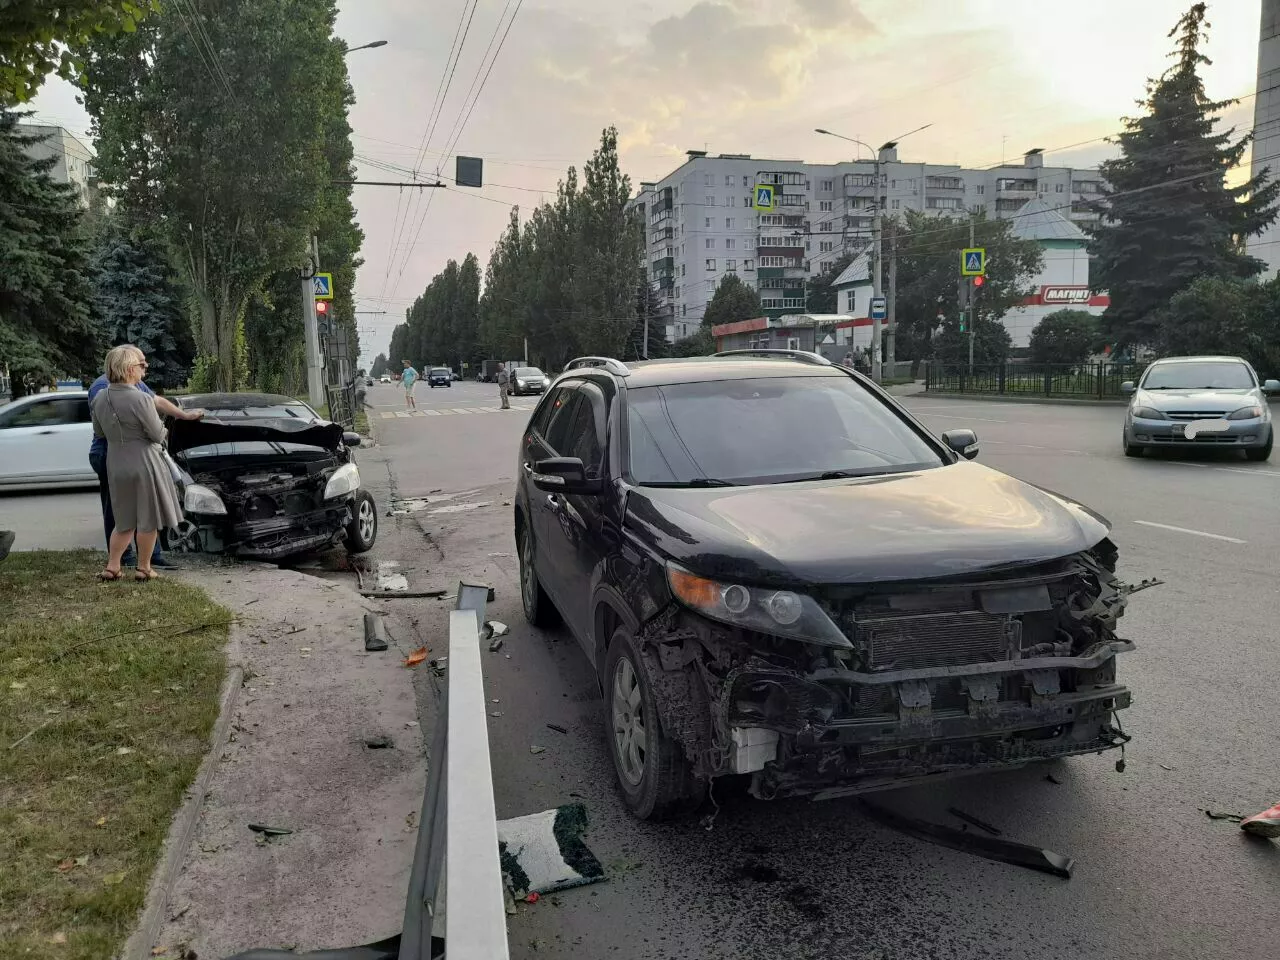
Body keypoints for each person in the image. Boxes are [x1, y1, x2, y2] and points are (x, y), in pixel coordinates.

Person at [88, 348, 201, 569]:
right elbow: (157, 434)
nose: (145, 368)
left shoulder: (100, 395)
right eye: (142, 365)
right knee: (148, 519)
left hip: (115, 461)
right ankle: (144, 568)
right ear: (130, 369)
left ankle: (114, 566)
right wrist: (165, 430)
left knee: (122, 520)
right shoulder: (139, 398)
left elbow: (100, 432)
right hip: (142, 461)